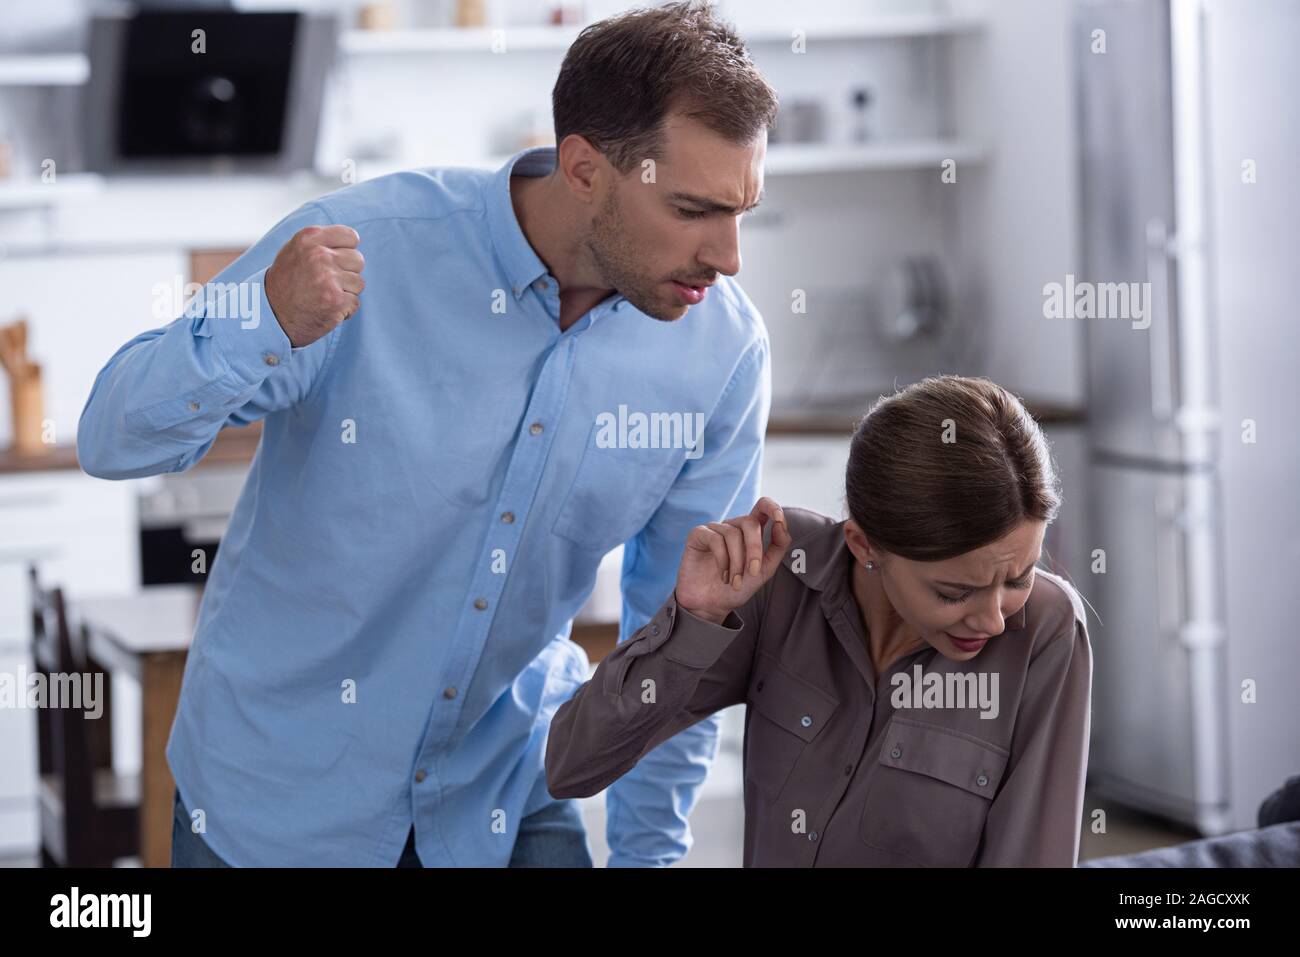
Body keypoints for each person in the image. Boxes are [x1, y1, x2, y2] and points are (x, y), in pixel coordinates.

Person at [78, 1, 777, 866]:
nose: (730, 255)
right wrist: (260, 320)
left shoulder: (722, 353)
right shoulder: (366, 249)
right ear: (586, 169)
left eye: (742, 209)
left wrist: (648, 856)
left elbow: (680, 636)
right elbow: (111, 436)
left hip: (503, 797)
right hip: (274, 812)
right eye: (693, 208)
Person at [547, 375, 1094, 866]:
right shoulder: (782, 576)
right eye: (955, 591)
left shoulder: (1045, 632)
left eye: (1018, 578)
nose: (995, 619)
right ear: (864, 546)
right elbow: (574, 765)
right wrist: (696, 619)